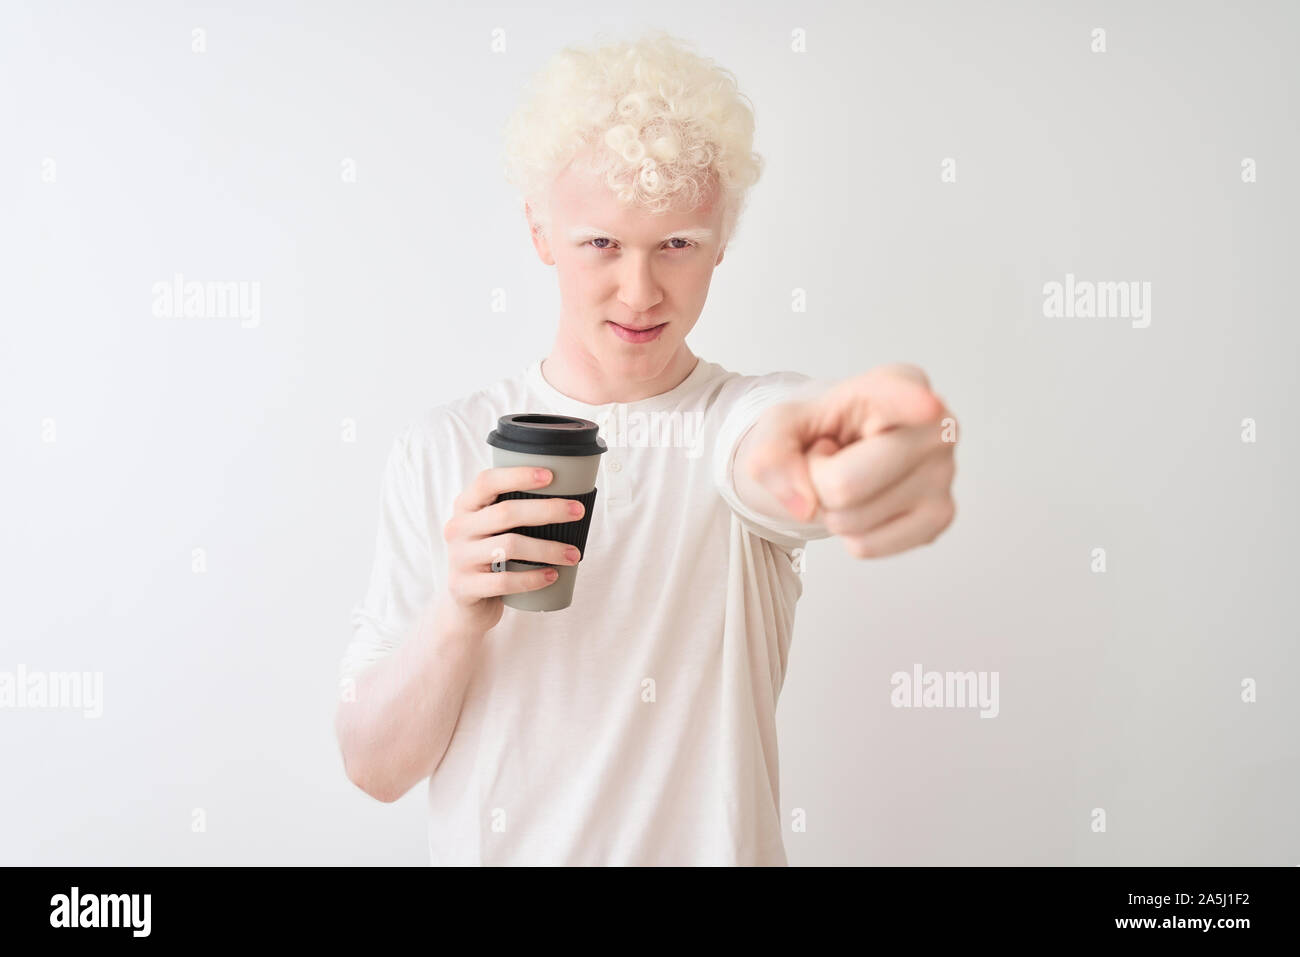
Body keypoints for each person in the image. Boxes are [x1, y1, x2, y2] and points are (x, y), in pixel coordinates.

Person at [333, 30, 958, 866]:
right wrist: (455, 617)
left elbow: (774, 447)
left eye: (677, 245)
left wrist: (843, 451)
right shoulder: (442, 446)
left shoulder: (741, 418)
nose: (640, 290)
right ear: (540, 231)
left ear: (722, 242)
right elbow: (373, 768)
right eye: (602, 243)